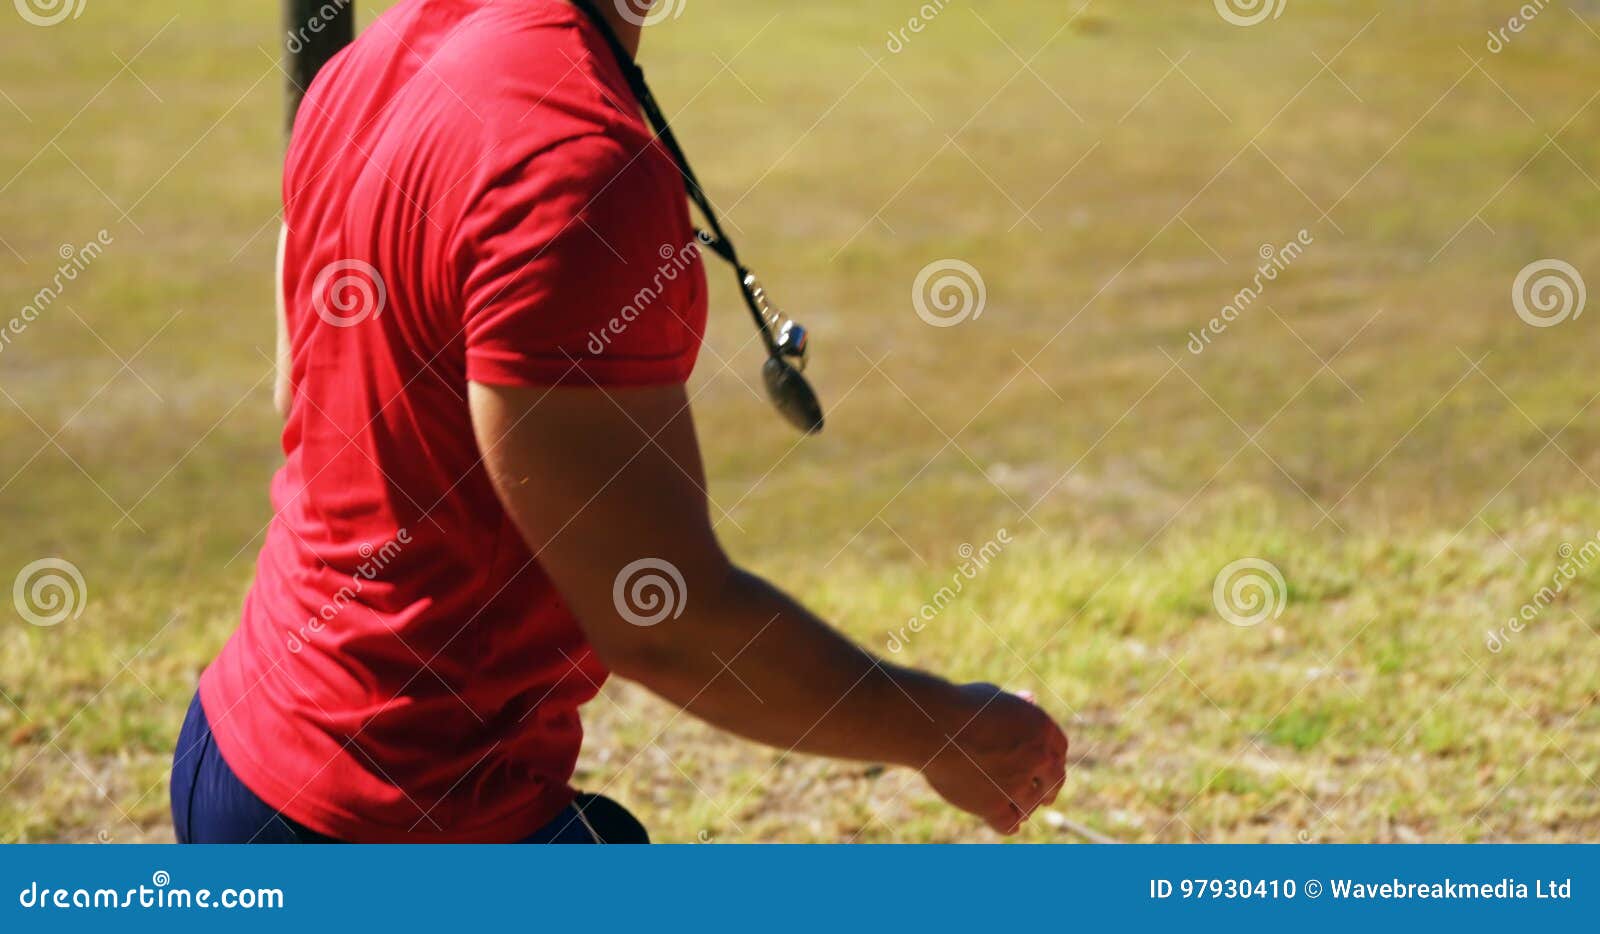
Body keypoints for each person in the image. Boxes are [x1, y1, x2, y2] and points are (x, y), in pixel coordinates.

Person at [171, 0, 1068, 843]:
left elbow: (303, 399)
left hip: (230, 753)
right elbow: (664, 622)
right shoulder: (571, 160)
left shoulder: (374, 57)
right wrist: (949, 732)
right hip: (391, 823)